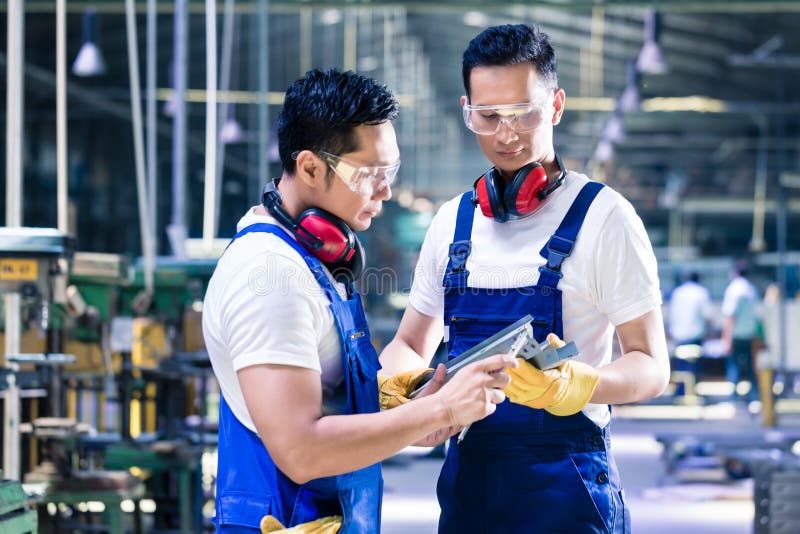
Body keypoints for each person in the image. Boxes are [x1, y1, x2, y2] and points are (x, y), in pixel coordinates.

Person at [379, 24, 670, 533]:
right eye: (488, 117)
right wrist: (409, 395)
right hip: (469, 496)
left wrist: (577, 385)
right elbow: (409, 343)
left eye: (523, 113)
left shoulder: (605, 218)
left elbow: (651, 367)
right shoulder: (452, 222)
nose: (505, 134)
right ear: (467, 110)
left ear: (556, 105)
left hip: (568, 497)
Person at [203, 69, 516, 533]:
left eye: (390, 172)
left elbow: (322, 409)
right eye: (371, 174)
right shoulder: (270, 276)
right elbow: (301, 450)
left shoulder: (312, 262)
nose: (386, 190)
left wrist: (402, 415)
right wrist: (442, 409)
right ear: (311, 168)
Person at [721, 260, 760, 401]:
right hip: (750, 334)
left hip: (736, 334)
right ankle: (754, 395)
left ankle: (734, 397)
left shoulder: (733, 289)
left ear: (735, 273)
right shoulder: (752, 289)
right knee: (751, 367)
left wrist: (726, 337)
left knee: (734, 365)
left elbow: (730, 316)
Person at [668, 271, 712, 347]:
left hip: (678, 336)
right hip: (695, 336)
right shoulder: (701, 292)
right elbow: (708, 316)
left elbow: (672, 315)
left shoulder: (677, 292)